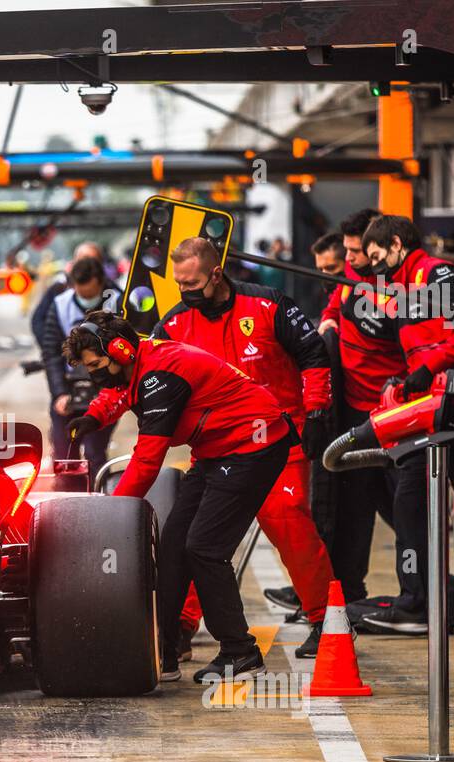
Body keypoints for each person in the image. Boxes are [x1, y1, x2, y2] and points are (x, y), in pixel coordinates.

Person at [66, 316, 296, 683]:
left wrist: (107, 516)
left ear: (119, 350)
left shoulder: (161, 378)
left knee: (204, 547)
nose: (94, 375)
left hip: (255, 446)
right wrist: (94, 416)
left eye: (95, 365)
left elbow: (146, 462)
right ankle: (165, 652)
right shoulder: (138, 362)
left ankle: (240, 652)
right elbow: (119, 389)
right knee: (173, 547)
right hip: (216, 451)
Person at [148, 237, 336, 661]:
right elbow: (151, 377)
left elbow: (313, 354)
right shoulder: (175, 325)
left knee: (289, 523)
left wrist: (317, 411)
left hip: (277, 439)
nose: (185, 292)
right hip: (214, 450)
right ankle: (179, 626)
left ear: (217, 274)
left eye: (193, 283)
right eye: (179, 283)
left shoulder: (270, 305)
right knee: (200, 538)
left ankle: (327, 621)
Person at [360, 214, 454, 637]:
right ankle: (416, 601)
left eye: (375, 255)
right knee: (410, 499)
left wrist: (430, 366)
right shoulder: (395, 289)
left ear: (398, 243)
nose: (373, 265)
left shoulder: (439, 273)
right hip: (427, 404)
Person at [319, 209, 402, 614]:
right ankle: (348, 590)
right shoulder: (351, 281)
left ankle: (421, 595)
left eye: (357, 252)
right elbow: (333, 308)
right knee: (351, 508)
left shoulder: (399, 288)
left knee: (405, 511)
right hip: (354, 414)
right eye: (348, 250)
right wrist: (329, 324)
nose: (349, 258)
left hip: (395, 418)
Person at [40, 255, 122, 478]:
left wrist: (110, 389)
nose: (85, 298)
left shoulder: (117, 302)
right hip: (68, 389)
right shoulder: (60, 305)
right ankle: (67, 499)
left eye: (90, 294)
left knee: (95, 452)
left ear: (101, 282)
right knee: (64, 452)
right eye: (81, 293)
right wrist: (59, 393)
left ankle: (99, 500)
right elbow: (51, 352)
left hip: (106, 390)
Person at [28, 241, 106, 347]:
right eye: (82, 259)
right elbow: (39, 320)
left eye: (91, 260)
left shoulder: (113, 294)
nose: (86, 266)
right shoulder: (60, 289)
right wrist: (57, 350)